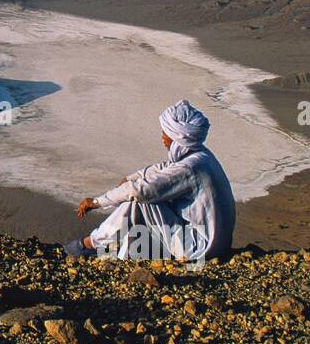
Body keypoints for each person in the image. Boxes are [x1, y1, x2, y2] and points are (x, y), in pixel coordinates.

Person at [67, 99, 236, 262]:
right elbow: (164, 168)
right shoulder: (202, 157)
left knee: (138, 201)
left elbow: (140, 191)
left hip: (199, 247)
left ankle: (90, 244)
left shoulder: (188, 168)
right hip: (218, 243)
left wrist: (97, 202)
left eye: (166, 133)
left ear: (177, 136)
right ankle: (121, 249)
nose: (163, 137)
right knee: (145, 202)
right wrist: (130, 178)